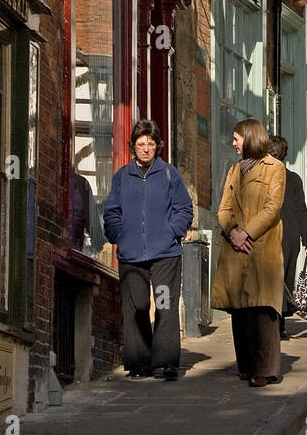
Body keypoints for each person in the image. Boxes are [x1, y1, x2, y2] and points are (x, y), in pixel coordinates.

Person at [102, 119, 193, 380]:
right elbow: (111, 212)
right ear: (133, 146)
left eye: (150, 144)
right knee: (137, 307)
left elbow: (184, 208)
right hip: (131, 255)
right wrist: (119, 234)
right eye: (141, 144)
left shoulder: (169, 174)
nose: (145, 148)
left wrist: (171, 231)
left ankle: (167, 363)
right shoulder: (122, 177)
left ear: (157, 147)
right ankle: (140, 363)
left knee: (165, 305)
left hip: (165, 254)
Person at [211, 119, 286, 387]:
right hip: (236, 248)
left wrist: (247, 233)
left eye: (237, 138)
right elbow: (223, 207)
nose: (233, 143)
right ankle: (245, 365)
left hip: (260, 248)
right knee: (240, 310)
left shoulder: (274, 168)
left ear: (250, 137)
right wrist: (232, 232)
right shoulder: (234, 170)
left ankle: (264, 369)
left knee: (262, 310)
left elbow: (272, 207)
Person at [268, 136, 307, 339]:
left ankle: (272, 324)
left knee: (271, 278)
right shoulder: (293, 178)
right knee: (286, 277)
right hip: (291, 234)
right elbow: (300, 210)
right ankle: (280, 325)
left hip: (271, 233)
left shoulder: (265, 177)